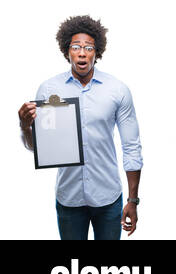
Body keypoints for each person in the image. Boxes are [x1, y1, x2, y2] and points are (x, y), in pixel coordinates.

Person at [18, 15, 142, 240]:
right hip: (69, 198)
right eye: (76, 47)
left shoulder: (117, 90)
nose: (82, 52)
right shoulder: (48, 90)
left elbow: (131, 146)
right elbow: (37, 148)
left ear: (97, 52)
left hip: (108, 197)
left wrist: (133, 200)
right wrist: (26, 126)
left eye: (88, 47)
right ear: (67, 51)